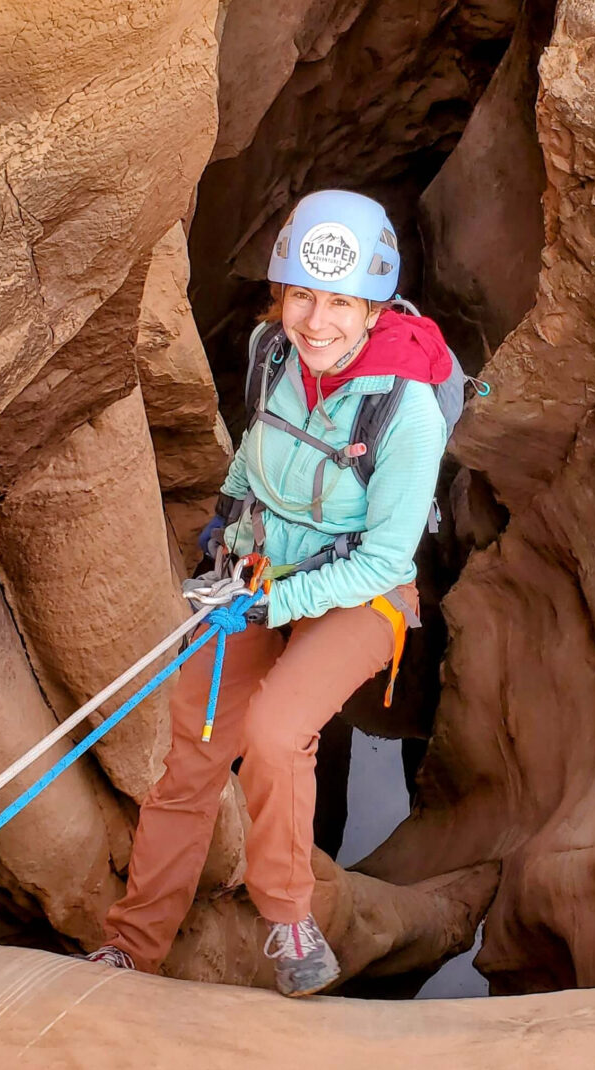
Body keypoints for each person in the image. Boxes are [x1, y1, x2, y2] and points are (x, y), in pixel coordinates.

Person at [86, 189, 451, 996]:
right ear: (281, 295)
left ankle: (289, 917)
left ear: (373, 309)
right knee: (191, 758)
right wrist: (226, 530)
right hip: (259, 570)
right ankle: (133, 945)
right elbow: (254, 456)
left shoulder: (410, 412)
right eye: (303, 297)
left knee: (278, 733)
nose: (317, 322)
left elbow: (383, 560)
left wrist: (270, 606)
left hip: (360, 594)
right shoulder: (273, 354)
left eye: (341, 303)